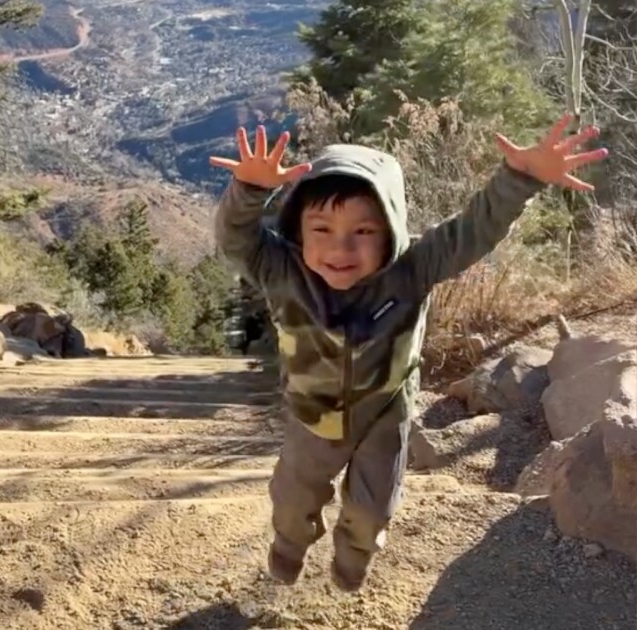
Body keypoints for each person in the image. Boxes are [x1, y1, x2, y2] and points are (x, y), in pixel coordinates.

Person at [209, 114, 607, 592]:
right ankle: (289, 547)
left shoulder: (414, 269)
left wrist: (519, 179)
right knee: (294, 497)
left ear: (391, 231)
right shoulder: (280, 271)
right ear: (298, 230)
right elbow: (236, 239)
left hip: (385, 411)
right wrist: (249, 192)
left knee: (373, 507)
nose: (340, 248)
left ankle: (352, 559)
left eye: (363, 231)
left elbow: (472, 231)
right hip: (313, 413)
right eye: (321, 229)